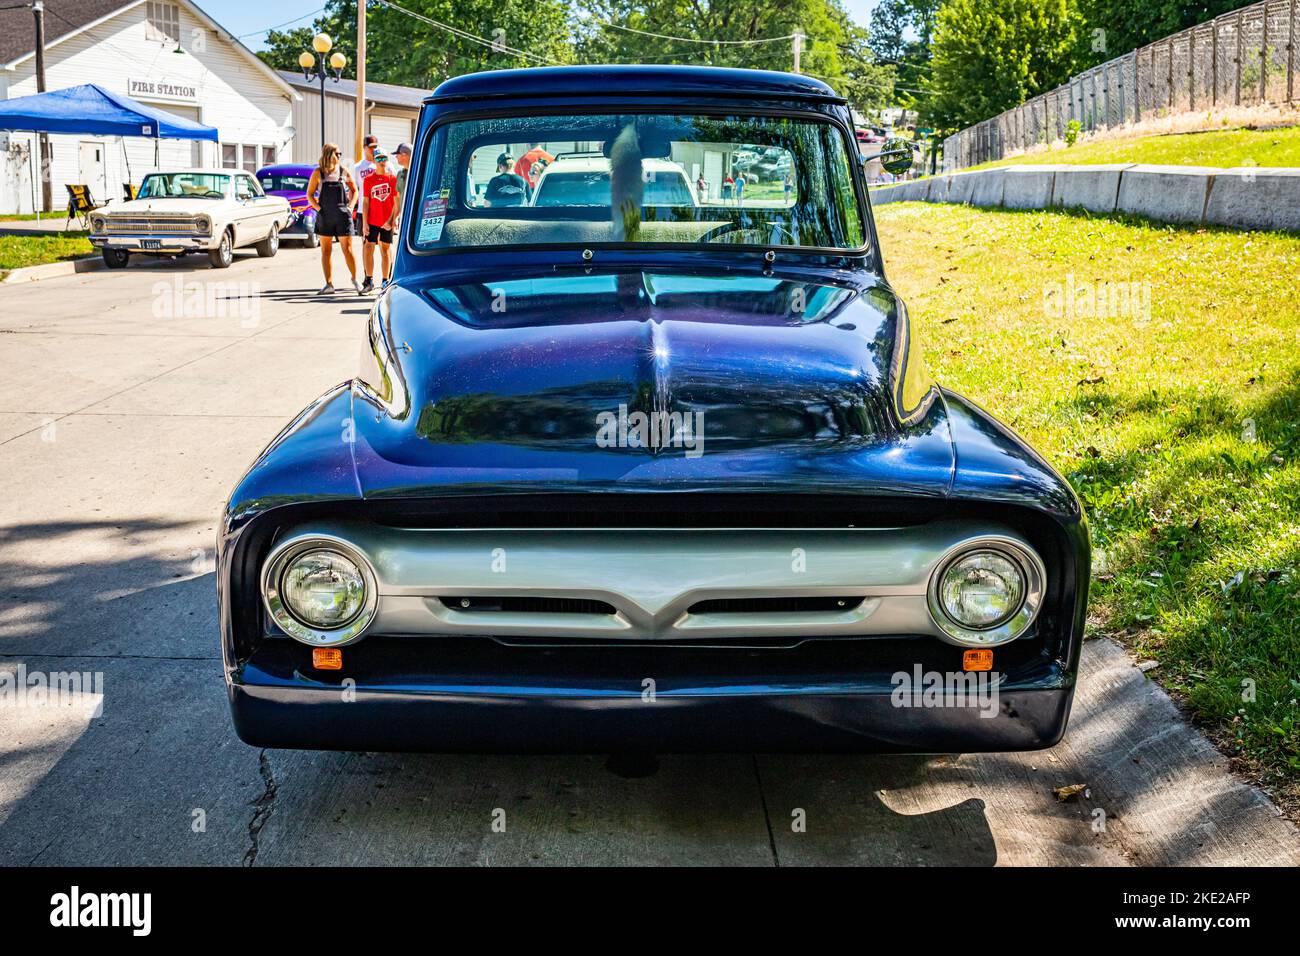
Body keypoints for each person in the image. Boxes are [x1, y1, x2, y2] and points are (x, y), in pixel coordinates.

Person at [305, 143, 361, 296]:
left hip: (343, 215)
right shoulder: (318, 173)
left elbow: (355, 191)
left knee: (347, 250)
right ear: (329, 154)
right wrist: (319, 209)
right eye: (337, 153)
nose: (339, 156)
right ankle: (329, 284)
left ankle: (355, 280)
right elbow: (309, 194)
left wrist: (350, 207)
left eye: (340, 154)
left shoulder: (343, 171)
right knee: (326, 250)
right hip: (325, 216)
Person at [360, 152, 398, 293]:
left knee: (385, 249)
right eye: (379, 158)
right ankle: (368, 280)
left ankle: (385, 280)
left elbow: (396, 202)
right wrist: (364, 223)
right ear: (374, 161)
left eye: (384, 158)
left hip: (386, 221)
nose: (382, 161)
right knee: (369, 248)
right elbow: (365, 202)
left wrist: (392, 220)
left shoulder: (392, 179)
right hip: (372, 220)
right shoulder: (369, 179)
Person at [387, 142, 412, 284]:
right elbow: (397, 199)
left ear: (405, 155)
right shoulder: (400, 174)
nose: (396, 158)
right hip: (404, 220)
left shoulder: (421, 170)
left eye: (397, 155)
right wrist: (393, 219)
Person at [352, 134, 378, 233]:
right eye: (370, 147)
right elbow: (353, 190)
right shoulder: (357, 167)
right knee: (366, 243)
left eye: (375, 147)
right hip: (363, 211)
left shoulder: (386, 165)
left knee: (384, 245)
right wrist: (351, 209)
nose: (373, 149)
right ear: (364, 147)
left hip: (381, 210)